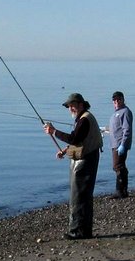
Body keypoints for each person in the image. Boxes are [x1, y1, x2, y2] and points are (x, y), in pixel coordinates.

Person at [43, 92, 103, 239]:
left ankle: (77, 232)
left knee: (78, 196)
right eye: (69, 107)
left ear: (81, 105)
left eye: (72, 106)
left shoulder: (84, 120)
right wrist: (65, 151)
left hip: (85, 161)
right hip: (88, 158)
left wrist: (54, 131)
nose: (70, 109)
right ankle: (84, 231)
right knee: (83, 196)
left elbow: (75, 138)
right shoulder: (83, 118)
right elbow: (79, 139)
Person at [105, 90, 133, 198]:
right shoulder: (116, 112)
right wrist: (104, 130)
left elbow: (127, 130)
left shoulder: (125, 112)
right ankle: (123, 191)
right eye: (114, 100)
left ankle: (120, 191)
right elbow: (116, 128)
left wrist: (123, 145)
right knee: (120, 166)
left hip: (119, 144)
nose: (116, 101)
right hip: (114, 144)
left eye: (118, 99)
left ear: (123, 99)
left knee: (117, 166)